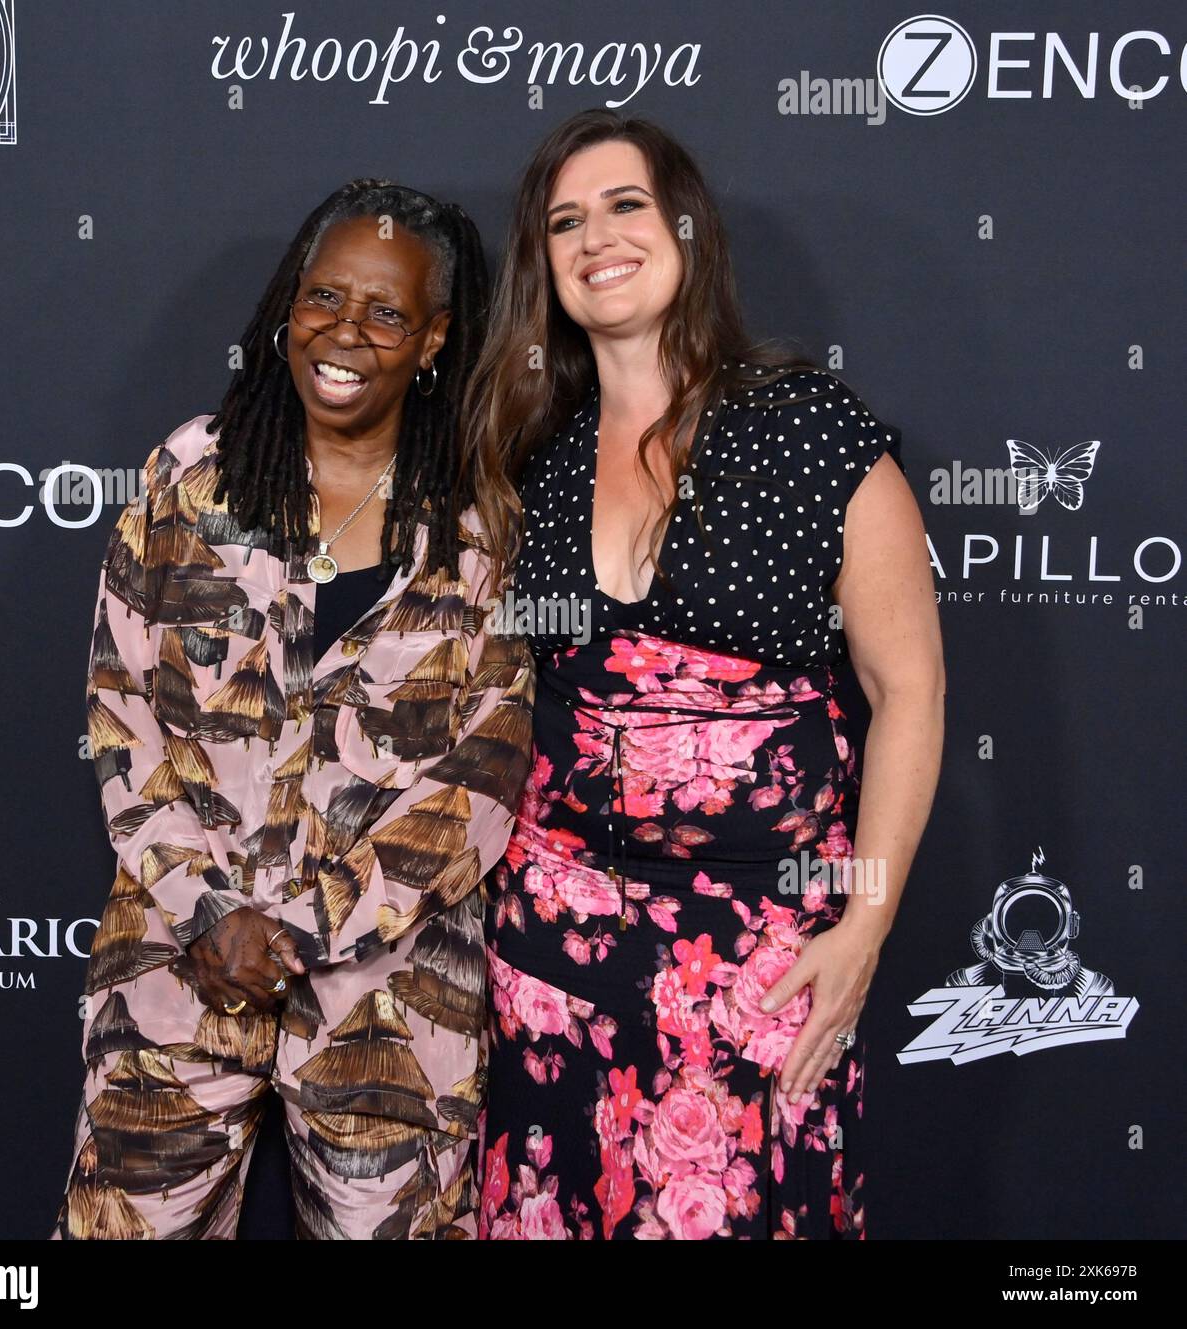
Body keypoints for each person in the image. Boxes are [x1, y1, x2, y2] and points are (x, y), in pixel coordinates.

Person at [463, 111, 945, 1239]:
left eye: (624, 205)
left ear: (685, 228)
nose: (596, 239)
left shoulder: (813, 430)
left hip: (765, 954)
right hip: (554, 952)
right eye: (564, 223)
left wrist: (862, 930)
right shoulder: (530, 446)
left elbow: (908, 693)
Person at [52, 180, 533, 1240]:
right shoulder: (191, 477)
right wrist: (212, 916)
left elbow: (484, 770)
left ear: (436, 338)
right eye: (324, 297)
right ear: (288, 303)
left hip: (393, 1000)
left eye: (386, 313)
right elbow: (120, 706)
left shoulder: (481, 520)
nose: (344, 334)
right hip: (180, 966)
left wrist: (307, 930)